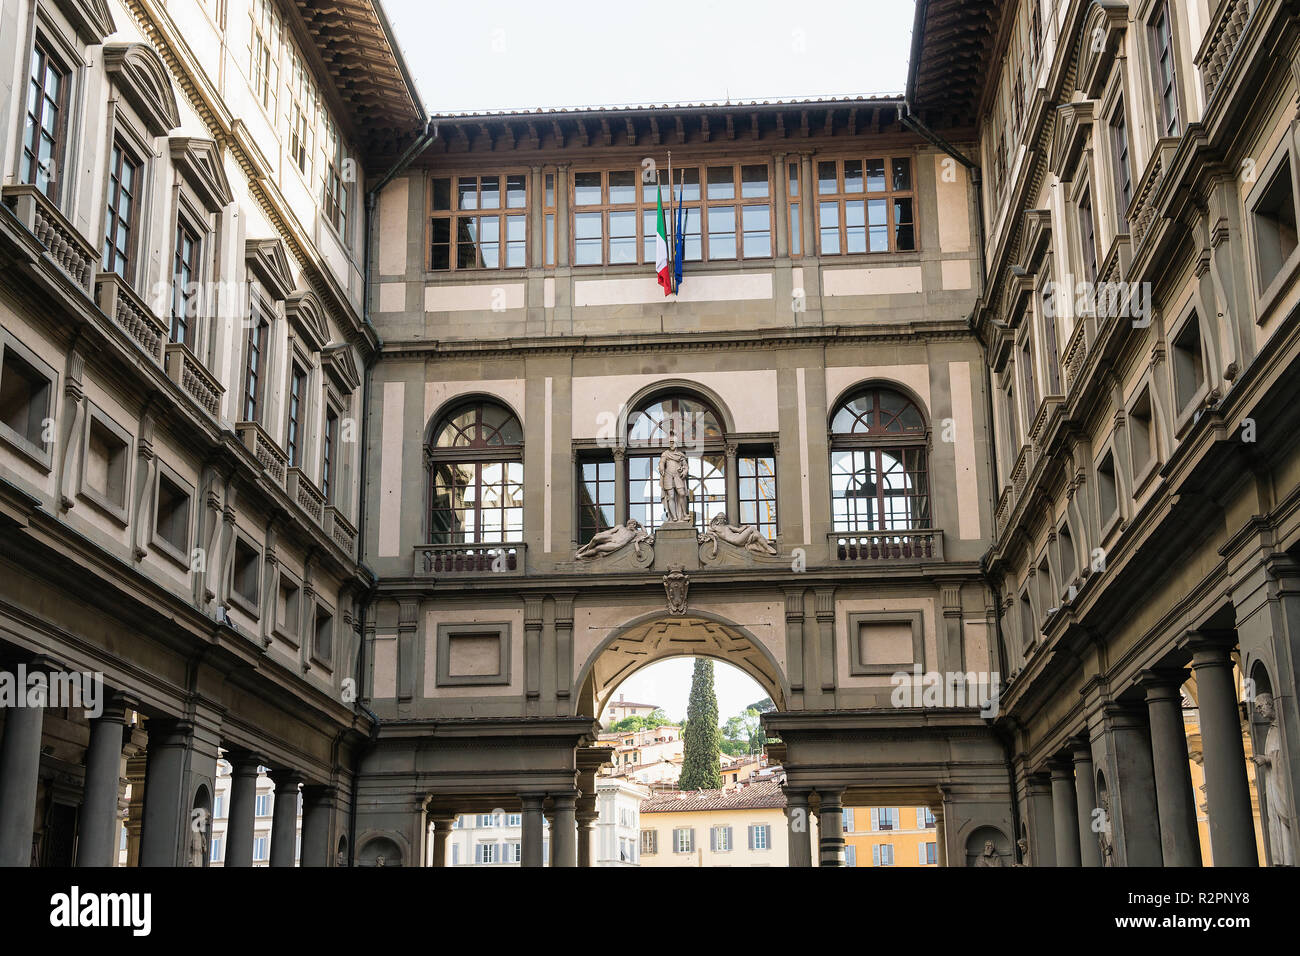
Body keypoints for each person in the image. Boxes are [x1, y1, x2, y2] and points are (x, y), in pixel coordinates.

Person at [700, 512, 778, 556]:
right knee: (752, 528)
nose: (721, 520)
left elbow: (739, 530)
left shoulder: (728, 526)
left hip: (739, 537)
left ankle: (766, 549)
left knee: (756, 535)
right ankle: (766, 544)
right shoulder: (715, 528)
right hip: (736, 540)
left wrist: (745, 526)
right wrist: (712, 536)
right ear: (716, 519)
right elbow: (708, 531)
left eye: (723, 518)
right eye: (720, 518)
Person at [574, 518, 651, 560]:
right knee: (595, 538)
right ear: (628, 523)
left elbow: (645, 534)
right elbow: (610, 531)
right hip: (611, 537)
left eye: (635, 524)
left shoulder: (635, 533)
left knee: (598, 548)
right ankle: (588, 552)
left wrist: (641, 525)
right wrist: (601, 534)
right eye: (632, 523)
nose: (633, 525)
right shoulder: (621, 527)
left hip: (617, 544)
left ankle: (582, 555)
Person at [658, 439, 690, 523]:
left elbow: (686, 466)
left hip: (678, 476)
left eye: (673, 443)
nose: (671, 445)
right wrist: (661, 467)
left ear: (676, 443)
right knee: (671, 496)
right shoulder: (665, 454)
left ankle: (684, 514)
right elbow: (661, 462)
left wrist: (684, 471)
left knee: (682, 493)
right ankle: (674, 516)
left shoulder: (680, 455)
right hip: (668, 475)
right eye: (670, 443)